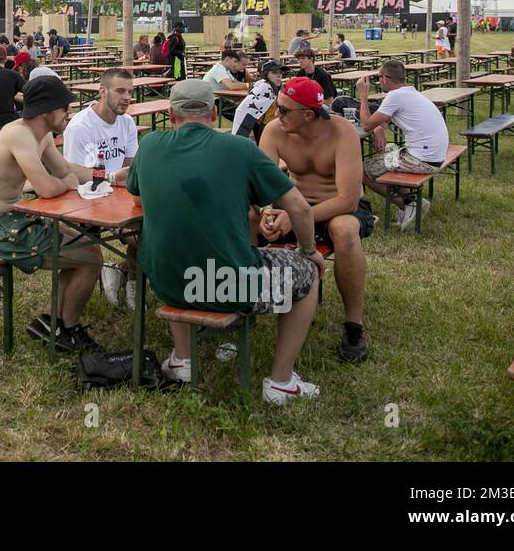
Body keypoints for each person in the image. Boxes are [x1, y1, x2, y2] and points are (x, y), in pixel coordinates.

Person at [126, 79, 324, 403]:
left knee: (179, 251)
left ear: (171, 115)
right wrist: (308, 251)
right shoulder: (240, 149)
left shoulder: (148, 146)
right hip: (225, 287)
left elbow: (135, 192)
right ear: (215, 114)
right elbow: (301, 209)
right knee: (309, 273)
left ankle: (183, 359)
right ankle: (281, 382)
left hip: (165, 284)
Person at [0, 76, 102, 353]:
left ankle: (52, 323)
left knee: (85, 244)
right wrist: (66, 183)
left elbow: (66, 170)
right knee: (90, 258)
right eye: (65, 108)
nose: (69, 114)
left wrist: (110, 177)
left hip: (16, 218)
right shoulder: (18, 134)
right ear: (46, 110)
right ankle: (66, 328)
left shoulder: (40, 134)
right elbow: (46, 188)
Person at [258, 76, 372, 362]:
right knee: (245, 215)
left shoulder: (341, 131)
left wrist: (295, 216)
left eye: (284, 110)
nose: (276, 114)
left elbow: (348, 199)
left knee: (344, 229)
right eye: (276, 106)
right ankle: (242, 309)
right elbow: (259, 185)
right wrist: (265, 212)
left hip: (334, 207)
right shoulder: (275, 130)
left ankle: (353, 326)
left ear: (308, 115)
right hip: (294, 205)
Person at [63, 69, 139, 310]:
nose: (127, 97)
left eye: (130, 91)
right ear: (102, 91)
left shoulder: (126, 122)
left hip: (119, 195)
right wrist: (112, 177)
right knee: (140, 236)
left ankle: (128, 276)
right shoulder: (81, 126)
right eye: (120, 91)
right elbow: (75, 174)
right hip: (87, 199)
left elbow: (130, 165)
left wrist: (126, 182)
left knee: (147, 235)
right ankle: (119, 272)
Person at [356, 59, 448, 231]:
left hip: (421, 159)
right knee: (387, 160)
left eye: (378, 78)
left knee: (360, 170)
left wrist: (363, 95)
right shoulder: (409, 93)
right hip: (433, 156)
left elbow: (366, 124)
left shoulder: (395, 96)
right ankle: (407, 206)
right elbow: (382, 120)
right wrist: (379, 130)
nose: (377, 81)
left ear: (386, 79)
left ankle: (409, 204)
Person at [230, 59, 284, 141]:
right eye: (274, 72)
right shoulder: (263, 88)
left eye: (280, 72)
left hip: (273, 129)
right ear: (266, 75)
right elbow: (242, 111)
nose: (279, 75)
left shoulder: (271, 87)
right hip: (267, 131)